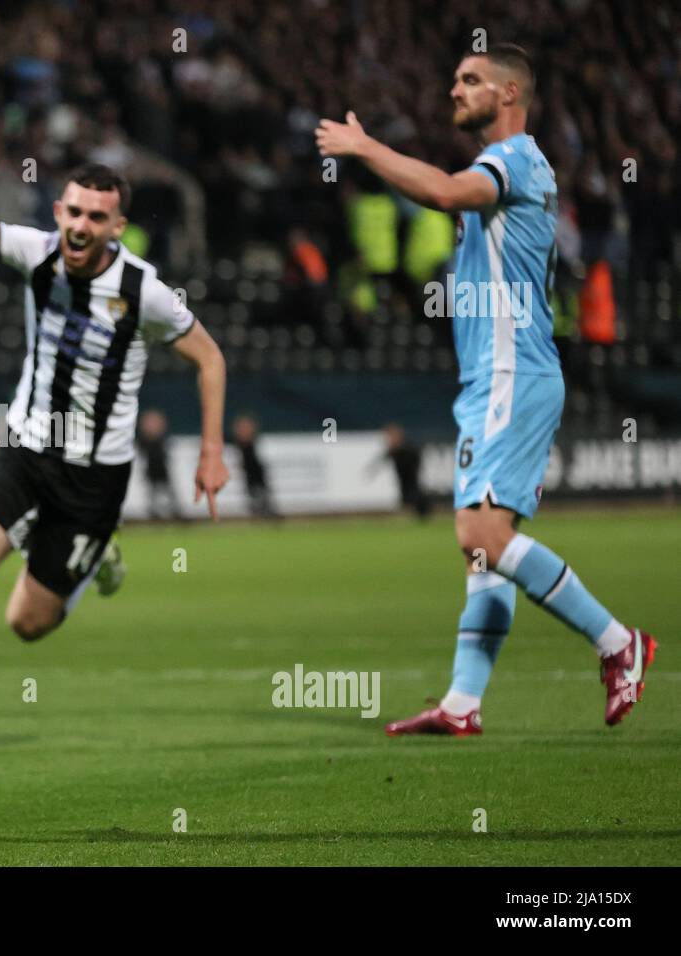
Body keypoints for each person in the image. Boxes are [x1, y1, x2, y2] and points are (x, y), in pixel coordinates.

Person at [0, 130, 229, 761]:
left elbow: (210, 358)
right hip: (25, 449)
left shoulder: (146, 292)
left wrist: (212, 450)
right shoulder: (38, 252)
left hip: (94, 476)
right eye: (73, 211)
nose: (81, 226)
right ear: (58, 212)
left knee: (26, 624)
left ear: (118, 226)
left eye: (97, 217)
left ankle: (93, 556)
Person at [316, 43, 655, 735]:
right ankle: (463, 704)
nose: (454, 90)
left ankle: (619, 642)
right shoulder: (492, 170)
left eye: (470, 80)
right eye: (454, 79)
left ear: (509, 94)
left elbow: (441, 191)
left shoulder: (517, 160)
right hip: (487, 380)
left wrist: (364, 146)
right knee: (481, 550)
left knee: (482, 535)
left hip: (514, 372)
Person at [137, 408, 178, 520]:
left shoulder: (162, 439)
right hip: (151, 470)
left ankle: (175, 511)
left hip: (162, 469)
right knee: (153, 493)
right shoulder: (144, 441)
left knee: (168, 492)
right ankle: (154, 512)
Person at [232, 414, 276, 518]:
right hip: (249, 473)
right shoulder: (239, 443)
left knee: (262, 495)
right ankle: (259, 513)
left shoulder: (251, 442)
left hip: (256, 471)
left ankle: (267, 513)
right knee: (253, 496)